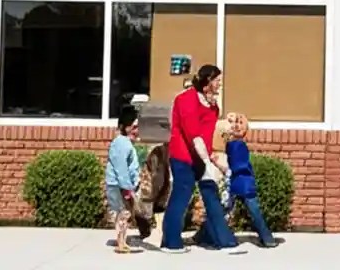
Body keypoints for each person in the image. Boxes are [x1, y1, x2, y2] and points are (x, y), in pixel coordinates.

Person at [160, 64, 243, 254]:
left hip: (202, 156)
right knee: (181, 196)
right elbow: (194, 136)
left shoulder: (213, 107)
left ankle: (223, 241)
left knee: (211, 196)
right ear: (207, 82)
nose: (220, 83)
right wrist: (207, 163)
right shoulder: (185, 99)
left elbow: (207, 135)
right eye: (217, 80)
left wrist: (213, 159)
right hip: (183, 157)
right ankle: (170, 241)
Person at [222, 112, 277, 248]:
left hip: (239, 182)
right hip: (243, 182)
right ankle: (267, 238)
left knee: (222, 209)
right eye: (235, 123)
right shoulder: (236, 145)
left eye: (241, 124)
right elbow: (239, 165)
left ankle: (203, 233)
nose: (238, 126)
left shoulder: (234, 145)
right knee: (253, 212)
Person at [106, 105, 142, 254]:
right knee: (124, 213)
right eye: (133, 127)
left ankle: (122, 241)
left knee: (123, 213)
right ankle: (121, 243)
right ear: (123, 127)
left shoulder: (124, 142)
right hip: (121, 185)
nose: (136, 130)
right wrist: (128, 188)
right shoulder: (122, 144)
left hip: (120, 184)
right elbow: (121, 168)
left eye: (137, 127)